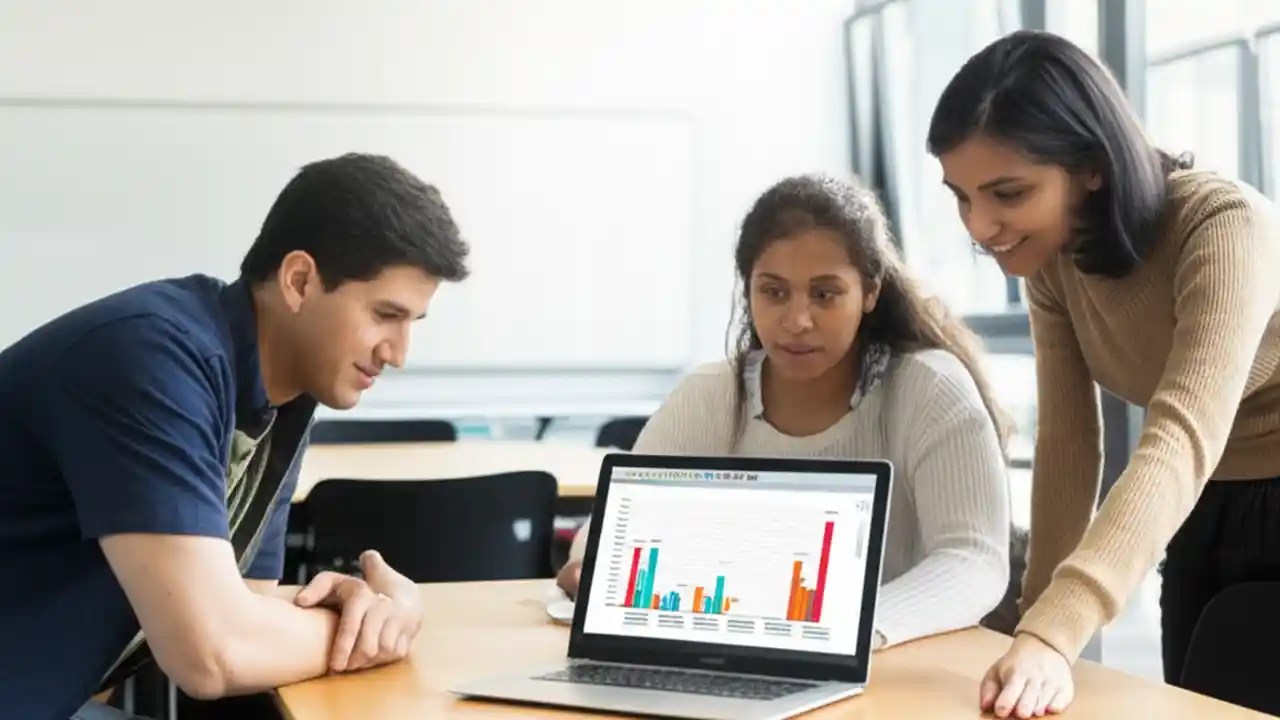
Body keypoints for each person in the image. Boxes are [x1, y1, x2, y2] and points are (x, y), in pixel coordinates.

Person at [0, 152, 471, 720]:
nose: (397, 354)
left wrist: (354, 611)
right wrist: (379, 631)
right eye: (384, 315)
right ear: (300, 280)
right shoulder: (151, 360)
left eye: (411, 324)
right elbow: (214, 655)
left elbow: (249, 609)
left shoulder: (282, 400)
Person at [928, 30, 1280, 719]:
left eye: (1007, 192)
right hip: (1202, 502)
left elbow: (1180, 433)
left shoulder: (1223, 226)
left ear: (1091, 166)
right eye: (962, 196)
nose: (981, 224)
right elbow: (1066, 446)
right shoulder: (1054, 259)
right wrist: (1036, 630)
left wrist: (1056, 632)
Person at [558, 173, 1012, 651]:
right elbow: (601, 542)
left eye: (825, 293)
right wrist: (599, 567)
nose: (797, 321)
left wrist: (840, 634)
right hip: (737, 661)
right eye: (773, 292)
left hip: (892, 669)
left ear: (871, 292)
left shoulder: (929, 388)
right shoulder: (710, 394)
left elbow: (973, 559)